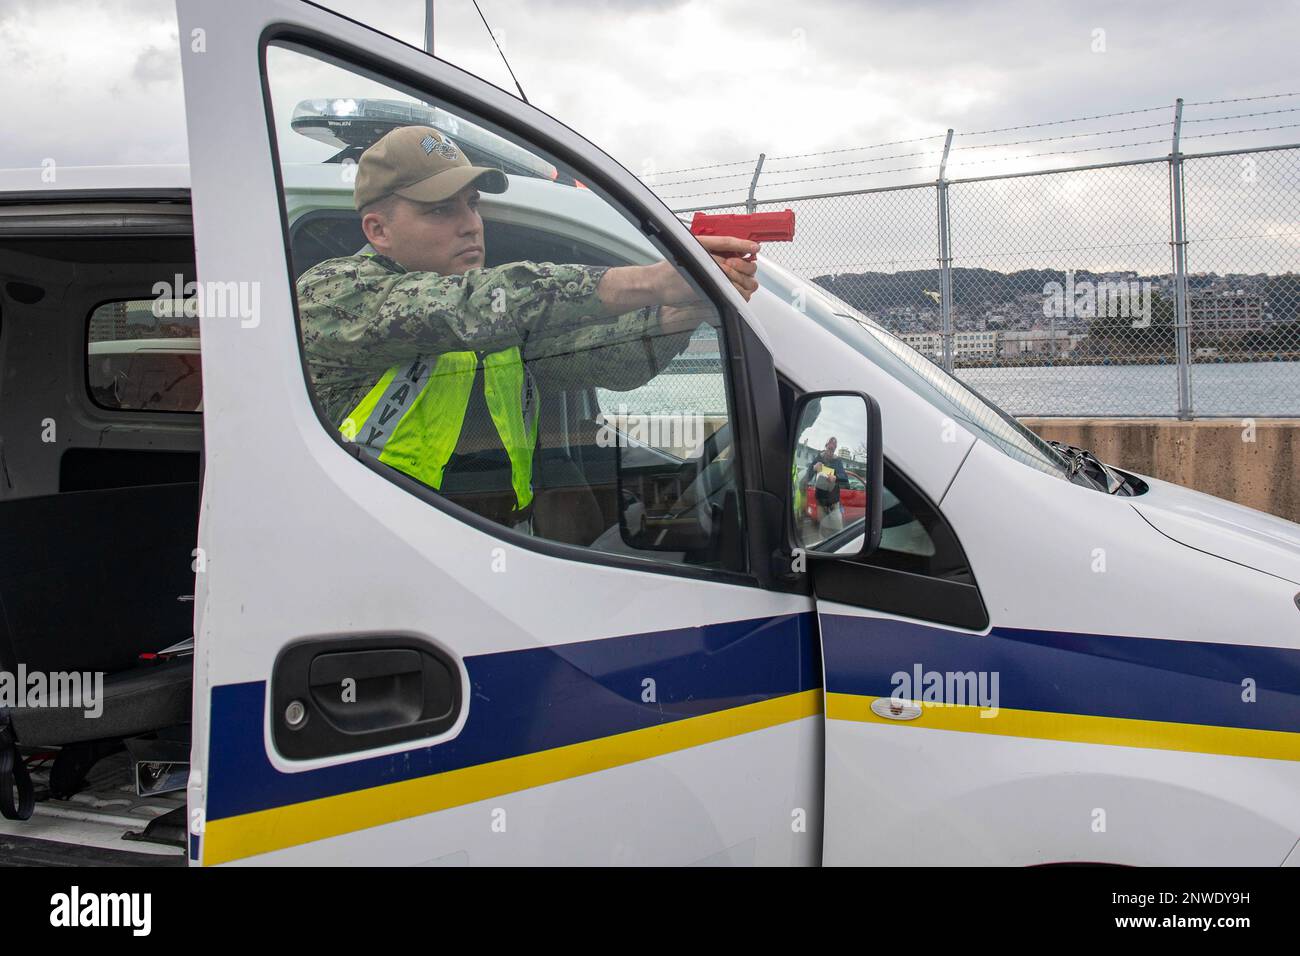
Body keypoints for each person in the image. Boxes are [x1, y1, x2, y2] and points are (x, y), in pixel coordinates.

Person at [295, 125, 760, 533]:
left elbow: (599, 355)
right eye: (440, 210)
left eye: (472, 205)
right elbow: (464, 306)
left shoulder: (494, 324)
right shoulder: (336, 295)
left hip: (495, 549)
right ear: (377, 230)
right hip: (382, 550)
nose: (471, 225)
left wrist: (680, 312)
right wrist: (651, 279)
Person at [805, 436, 848, 533]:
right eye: (829, 448)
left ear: (835, 449)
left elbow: (845, 478)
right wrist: (813, 468)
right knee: (823, 531)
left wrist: (836, 477)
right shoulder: (818, 458)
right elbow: (808, 476)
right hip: (821, 502)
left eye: (833, 449)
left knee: (838, 530)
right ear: (826, 446)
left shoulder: (838, 461)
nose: (830, 451)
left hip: (834, 503)